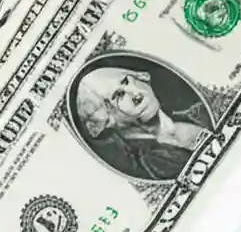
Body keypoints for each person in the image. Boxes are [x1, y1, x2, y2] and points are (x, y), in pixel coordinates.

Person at [75, 66, 211, 181]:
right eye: (118, 95)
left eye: (126, 81)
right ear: (106, 121)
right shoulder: (152, 164)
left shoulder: (200, 112)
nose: (136, 94)